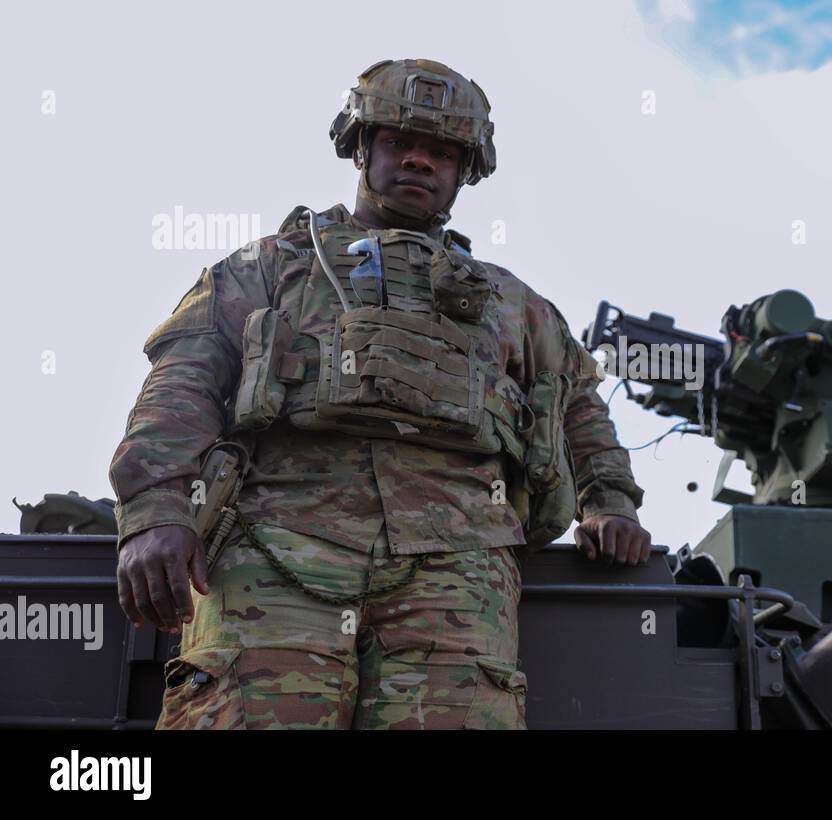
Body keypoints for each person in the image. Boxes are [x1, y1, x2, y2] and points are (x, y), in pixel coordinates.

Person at [110, 58, 651, 729]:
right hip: (276, 543)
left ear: (465, 170)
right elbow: (182, 379)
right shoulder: (270, 266)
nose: (420, 162)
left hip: (458, 565)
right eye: (401, 143)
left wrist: (610, 502)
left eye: (442, 152)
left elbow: (576, 404)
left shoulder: (514, 303)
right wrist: (156, 510)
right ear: (363, 148)